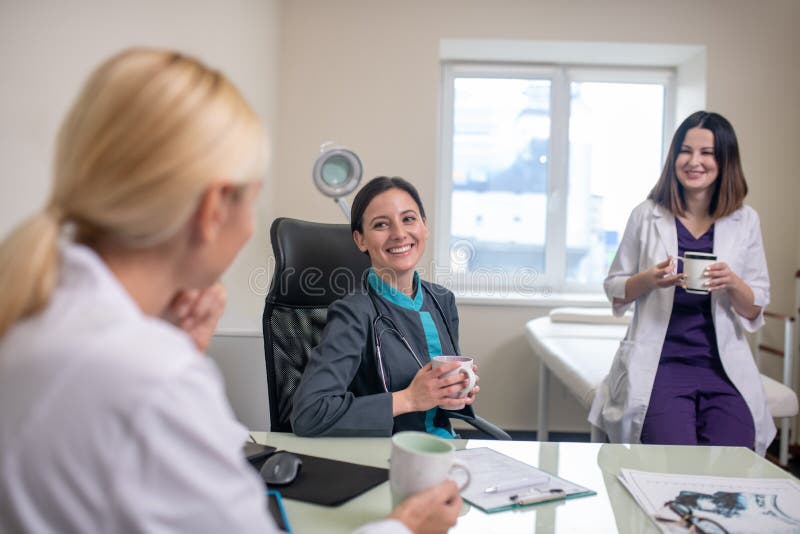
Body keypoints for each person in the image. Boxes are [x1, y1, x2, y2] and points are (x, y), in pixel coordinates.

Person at [0, 49, 461, 534]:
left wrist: (176, 349)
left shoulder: (35, 316)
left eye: (410, 220)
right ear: (214, 209)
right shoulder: (155, 380)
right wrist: (405, 526)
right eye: (253, 199)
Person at [588, 111, 775, 455]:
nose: (694, 161)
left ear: (725, 160)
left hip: (723, 369)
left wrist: (732, 282)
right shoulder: (647, 214)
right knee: (674, 460)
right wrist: (649, 279)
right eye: (685, 151)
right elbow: (614, 286)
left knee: (735, 459)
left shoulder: (745, 220)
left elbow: (756, 304)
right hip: (662, 365)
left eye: (707, 153)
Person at [291, 176, 480, 437]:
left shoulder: (442, 300)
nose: (399, 234)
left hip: (444, 450)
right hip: (387, 457)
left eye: (409, 219)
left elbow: (439, 406)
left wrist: (454, 391)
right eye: (381, 224)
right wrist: (409, 399)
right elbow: (309, 414)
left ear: (425, 227)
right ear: (360, 240)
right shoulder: (354, 313)